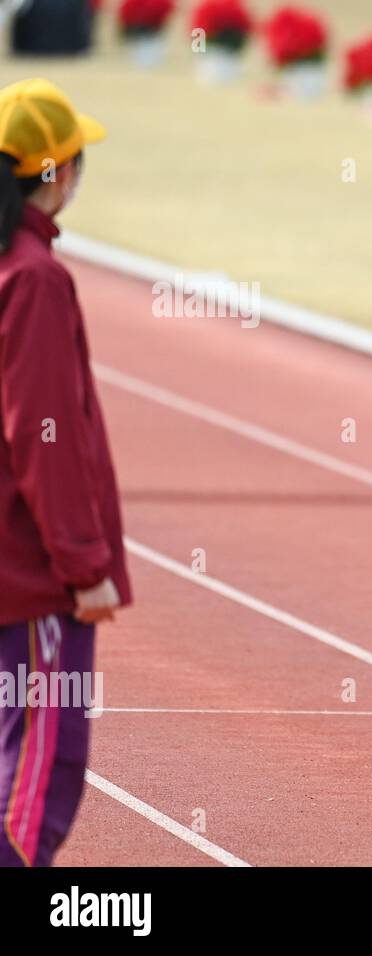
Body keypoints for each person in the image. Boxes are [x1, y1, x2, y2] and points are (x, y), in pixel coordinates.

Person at [0, 78, 129, 866]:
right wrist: (83, 566)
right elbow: (42, 439)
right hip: (34, 574)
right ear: (53, 173)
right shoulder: (35, 279)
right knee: (43, 768)